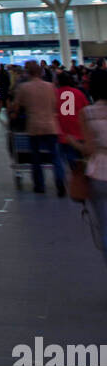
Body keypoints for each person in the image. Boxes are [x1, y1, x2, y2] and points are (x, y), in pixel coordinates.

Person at [9, 60, 66, 196]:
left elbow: (16, 107)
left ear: (28, 73)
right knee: (55, 157)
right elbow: (55, 104)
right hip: (51, 125)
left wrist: (14, 112)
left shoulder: (24, 88)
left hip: (34, 126)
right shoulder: (51, 86)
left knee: (36, 157)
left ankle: (39, 185)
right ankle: (60, 184)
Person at [80, 69, 107, 255]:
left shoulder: (87, 113)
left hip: (99, 172)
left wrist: (73, 143)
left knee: (104, 225)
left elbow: (89, 149)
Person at [56, 70, 88, 171]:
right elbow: (86, 111)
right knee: (78, 163)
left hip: (61, 134)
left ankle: (64, 181)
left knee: (63, 161)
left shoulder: (55, 94)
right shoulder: (79, 93)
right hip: (79, 133)